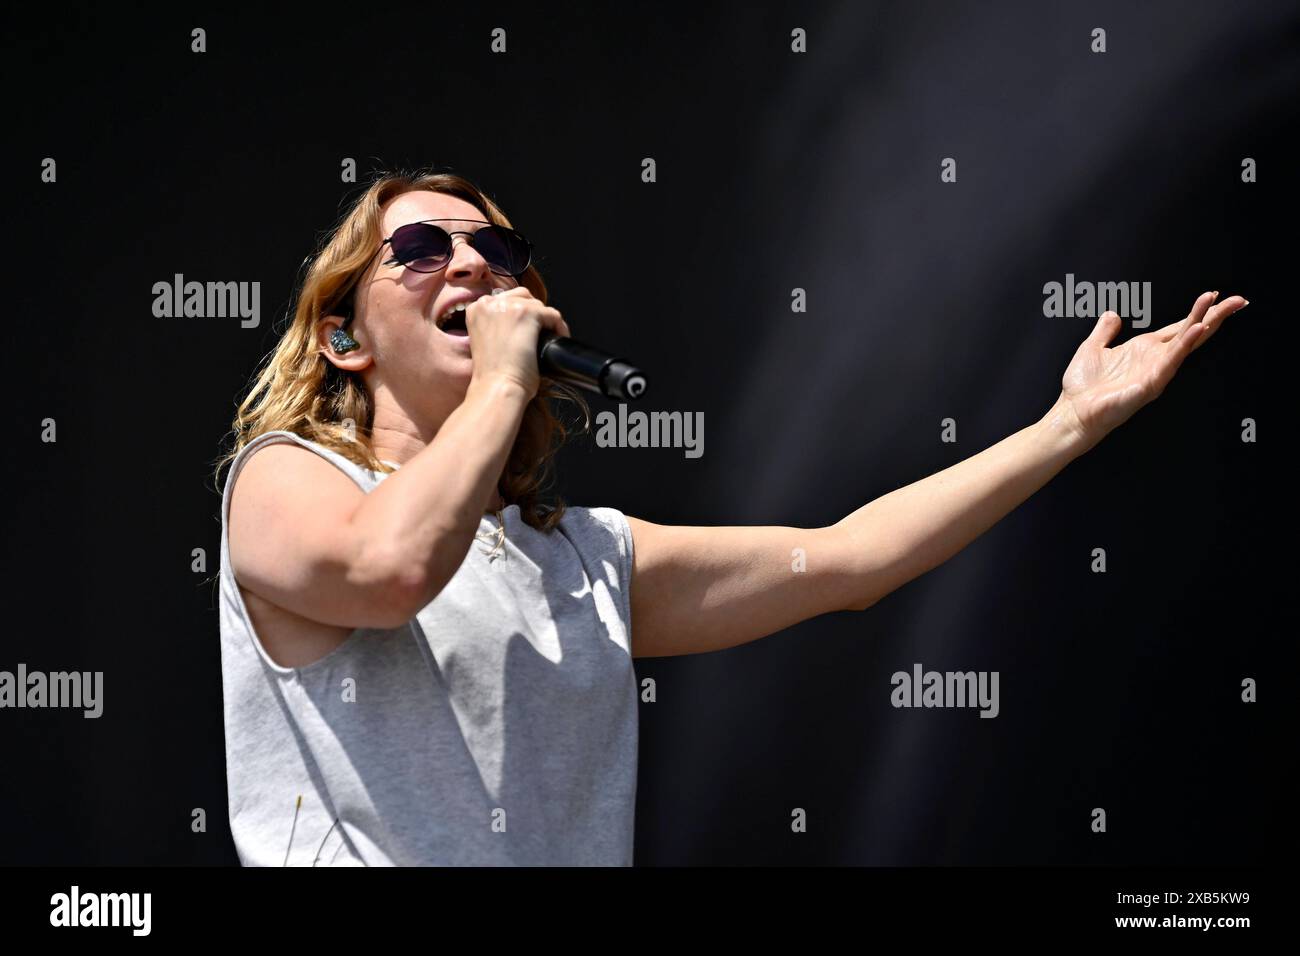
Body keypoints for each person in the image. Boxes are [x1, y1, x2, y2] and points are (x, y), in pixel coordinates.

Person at [213, 169, 1247, 866]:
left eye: (498, 246)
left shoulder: (583, 557)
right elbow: (390, 571)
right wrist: (496, 385)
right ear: (345, 337)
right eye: (424, 248)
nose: (476, 266)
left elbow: (851, 558)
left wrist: (1067, 424)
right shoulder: (285, 479)